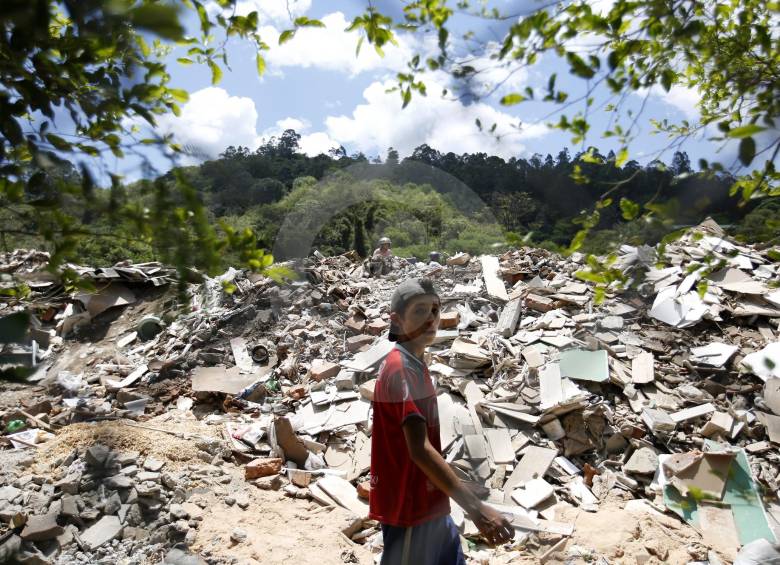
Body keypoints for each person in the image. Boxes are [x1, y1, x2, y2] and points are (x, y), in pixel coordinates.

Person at [370, 278, 514, 564]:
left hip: (430, 504)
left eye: (435, 310)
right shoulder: (401, 369)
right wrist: (476, 509)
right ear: (397, 321)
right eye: (420, 311)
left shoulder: (415, 362)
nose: (431, 319)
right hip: (410, 511)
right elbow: (419, 449)